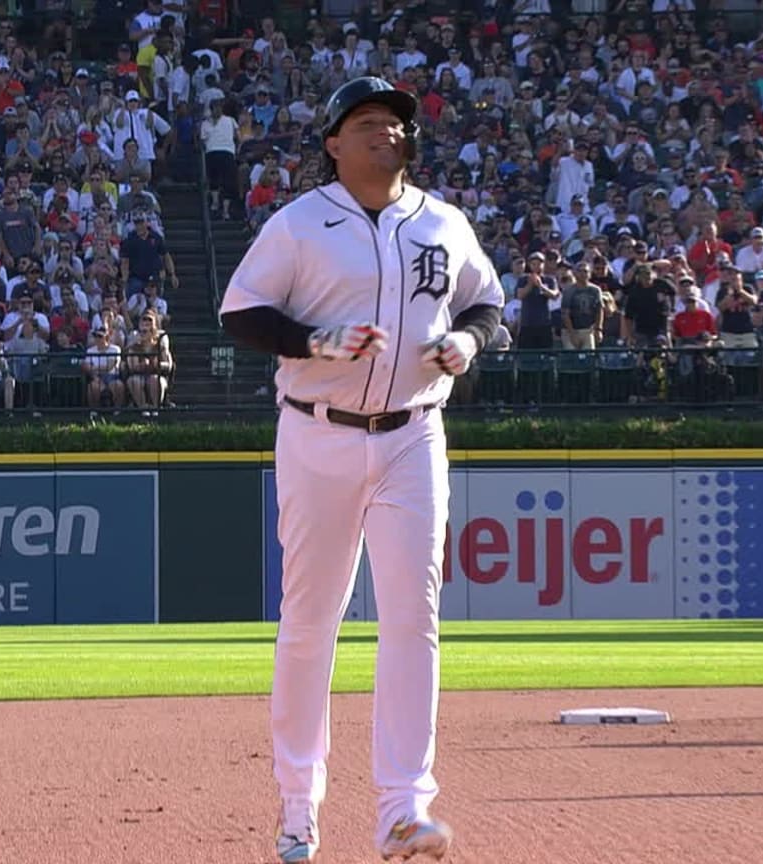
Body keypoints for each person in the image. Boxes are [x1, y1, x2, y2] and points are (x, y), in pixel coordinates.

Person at [218, 76, 502, 864]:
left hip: (415, 432)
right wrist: (312, 340)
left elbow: (486, 303)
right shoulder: (302, 223)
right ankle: (297, 807)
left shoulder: (443, 222)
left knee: (414, 618)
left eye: (397, 124)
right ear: (334, 144)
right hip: (319, 434)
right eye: (368, 122)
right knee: (312, 624)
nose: (387, 133)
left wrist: (469, 344)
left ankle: (404, 810)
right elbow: (239, 312)